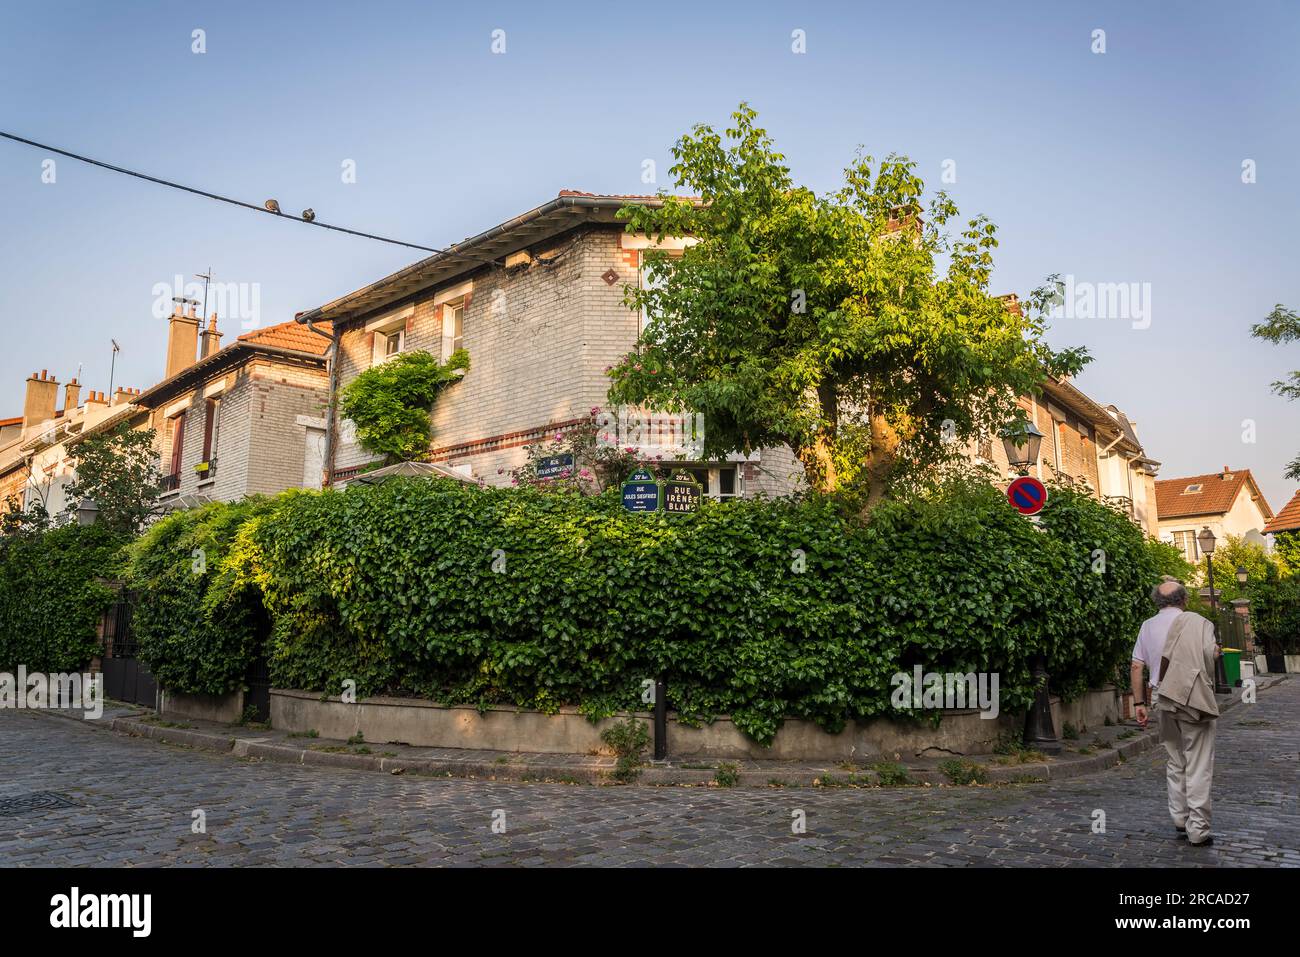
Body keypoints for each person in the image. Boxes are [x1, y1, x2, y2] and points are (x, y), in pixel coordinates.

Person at [1132, 580, 1221, 847]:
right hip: (1192, 696)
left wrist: (1139, 704)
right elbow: (1209, 654)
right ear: (1184, 600)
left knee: (1174, 759)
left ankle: (1180, 818)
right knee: (1199, 761)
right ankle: (1198, 830)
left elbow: (1137, 666)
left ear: (1156, 602)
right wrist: (1214, 654)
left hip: (1162, 697)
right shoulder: (1198, 622)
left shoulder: (1147, 626)